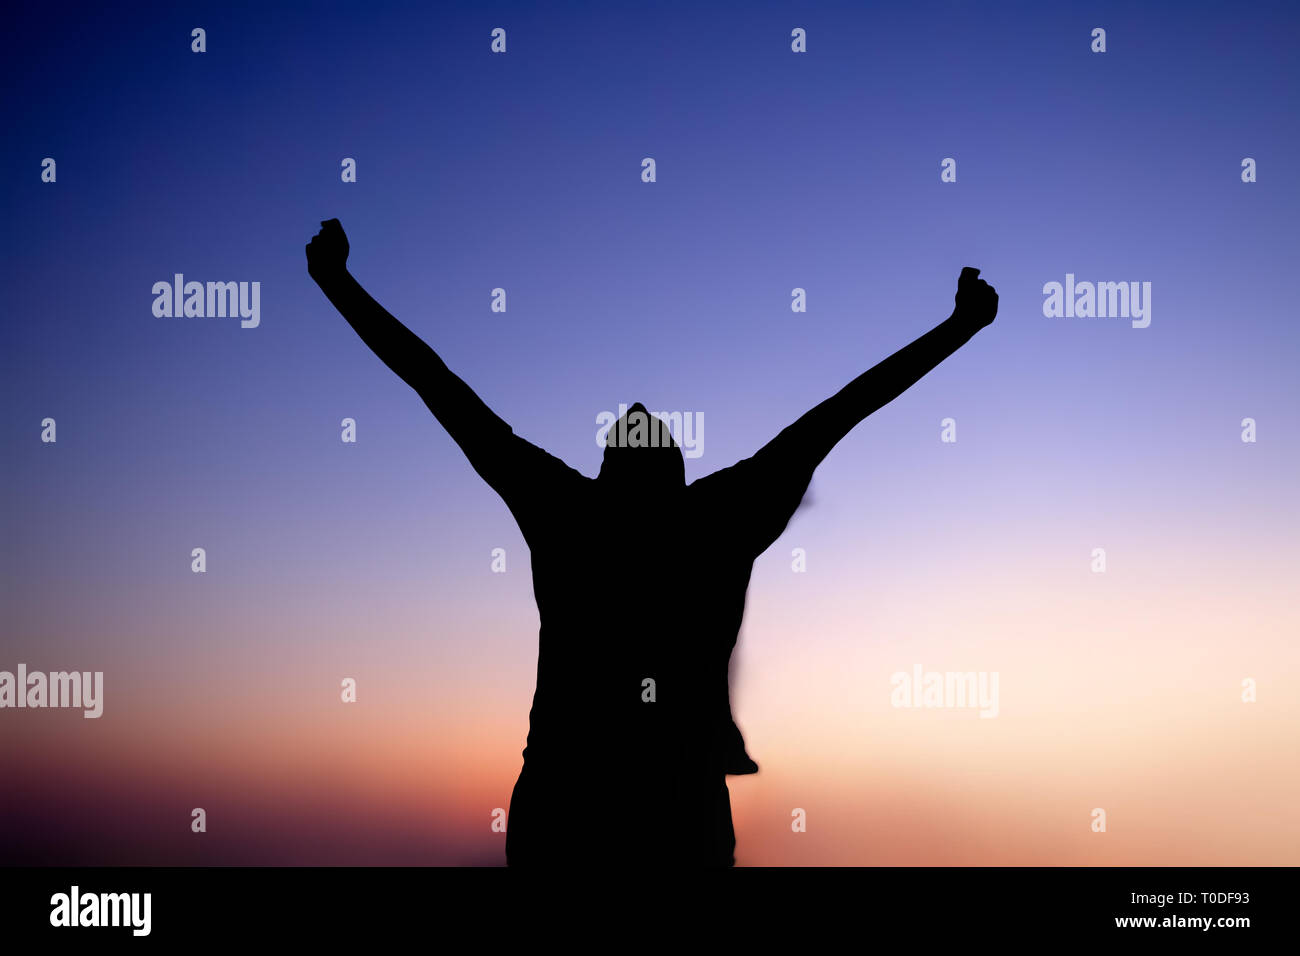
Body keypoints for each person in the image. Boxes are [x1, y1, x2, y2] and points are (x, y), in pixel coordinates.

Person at [306, 219, 998, 865]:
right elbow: (844, 409)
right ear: (678, 469)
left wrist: (339, 285)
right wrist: (957, 328)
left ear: (609, 467)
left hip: (566, 814)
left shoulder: (567, 508)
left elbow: (439, 388)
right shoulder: (717, 514)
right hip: (675, 815)